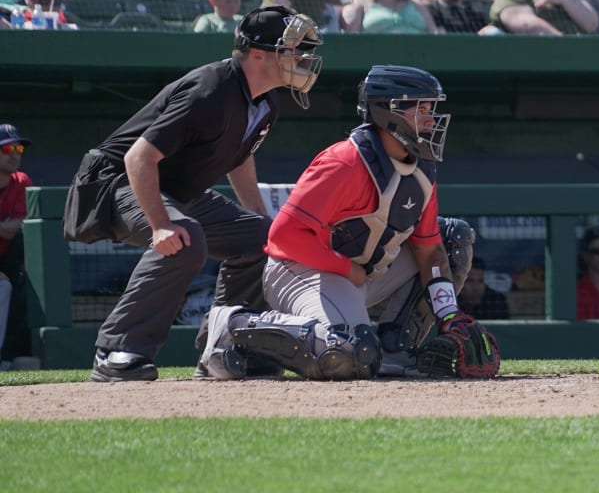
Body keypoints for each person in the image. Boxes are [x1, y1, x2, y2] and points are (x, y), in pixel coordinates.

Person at [66, 6, 323, 381]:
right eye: (293, 49)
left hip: (178, 191)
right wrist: (159, 226)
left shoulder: (266, 102)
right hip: (117, 183)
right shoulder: (210, 89)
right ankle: (118, 348)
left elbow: (240, 159)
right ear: (257, 53)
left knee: (263, 239)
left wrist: (257, 217)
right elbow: (138, 158)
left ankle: (227, 346)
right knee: (184, 239)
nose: (301, 58)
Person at [197, 66, 498, 380]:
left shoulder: (421, 167)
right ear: (389, 113)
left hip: (359, 273)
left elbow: (431, 253)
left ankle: (394, 348)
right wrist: (343, 267)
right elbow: (282, 236)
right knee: (347, 353)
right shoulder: (344, 162)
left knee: (452, 241)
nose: (430, 119)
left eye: (431, 110)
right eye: (421, 109)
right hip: (300, 271)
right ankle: (233, 326)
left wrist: (448, 314)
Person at [0, 124, 33, 366]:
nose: (16, 153)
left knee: (15, 285)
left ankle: (9, 355)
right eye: (8, 148)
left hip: (7, 262)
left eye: (19, 148)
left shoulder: (21, 181)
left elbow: (17, 227)